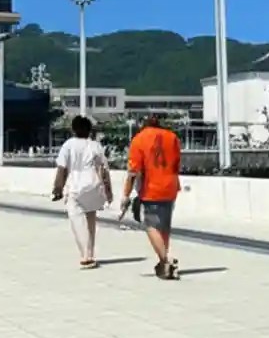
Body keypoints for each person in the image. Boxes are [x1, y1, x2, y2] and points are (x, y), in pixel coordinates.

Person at [122, 116, 182, 280]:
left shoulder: (139, 140)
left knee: (150, 225)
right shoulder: (172, 137)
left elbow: (133, 171)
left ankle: (165, 260)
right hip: (170, 186)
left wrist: (126, 194)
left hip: (151, 188)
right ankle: (164, 262)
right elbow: (177, 164)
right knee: (164, 225)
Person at [52, 116, 113, 269]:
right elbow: (104, 170)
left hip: (76, 185)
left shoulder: (68, 145)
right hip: (93, 183)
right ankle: (90, 253)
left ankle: (86, 256)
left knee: (77, 221)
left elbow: (62, 168)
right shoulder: (95, 146)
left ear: (73, 129)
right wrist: (108, 191)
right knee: (91, 219)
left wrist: (57, 188)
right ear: (89, 130)